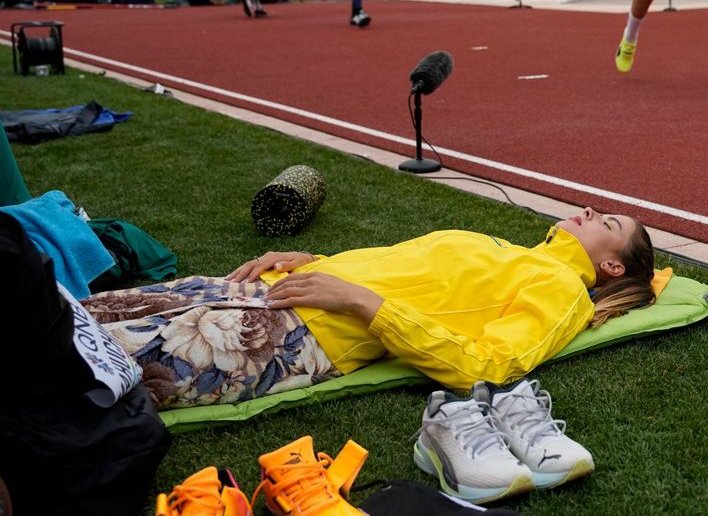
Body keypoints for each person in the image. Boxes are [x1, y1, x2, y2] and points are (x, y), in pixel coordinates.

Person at [79, 207, 655, 409]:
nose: (588, 210)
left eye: (607, 223)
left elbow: (487, 365)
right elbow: (402, 268)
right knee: (78, 311)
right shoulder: (509, 251)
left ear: (611, 267)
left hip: (296, 335)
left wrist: (357, 299)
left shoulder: (561, 292)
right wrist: (314, 259)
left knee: (82, 364)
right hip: (284, 287)